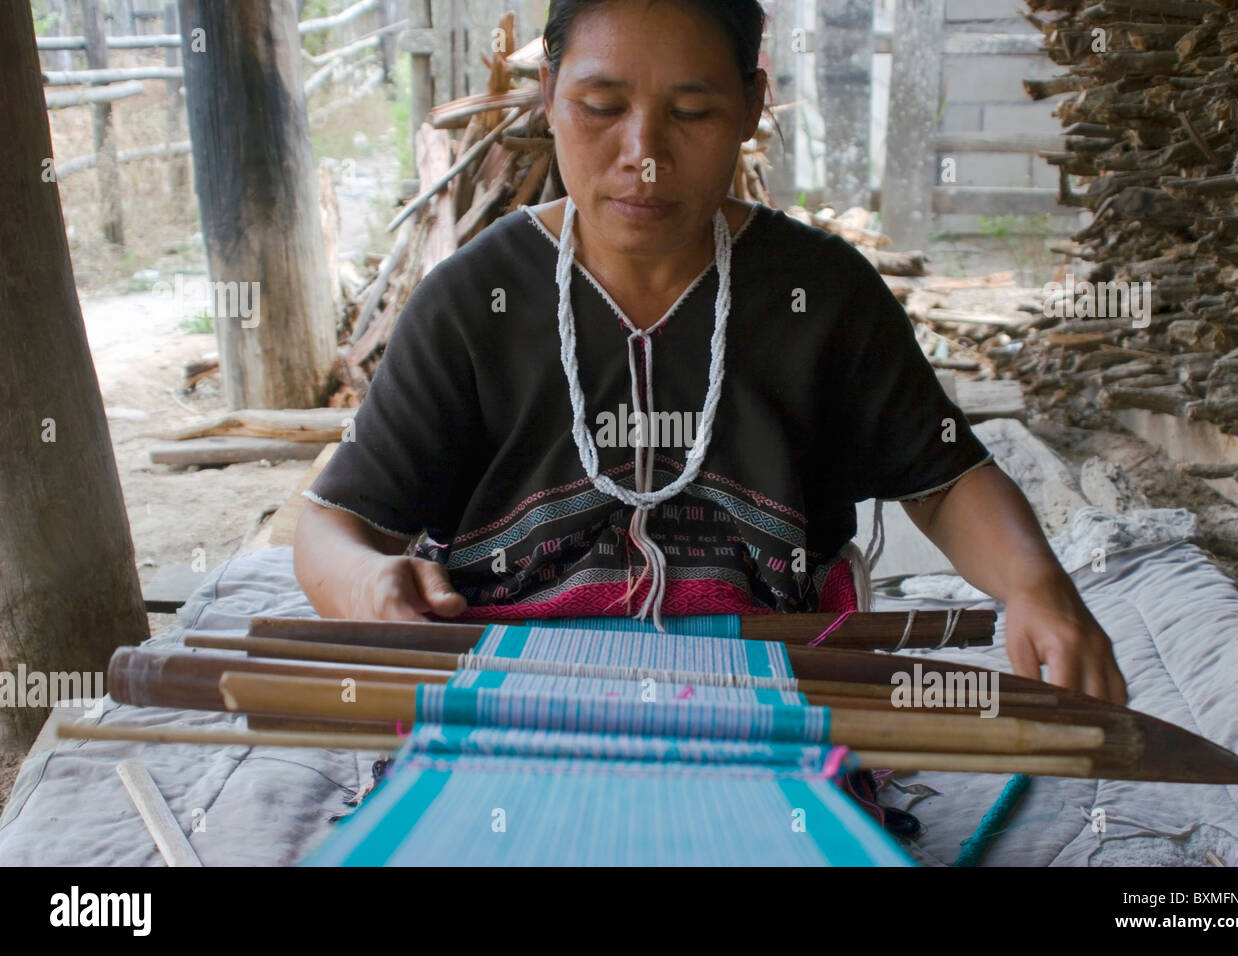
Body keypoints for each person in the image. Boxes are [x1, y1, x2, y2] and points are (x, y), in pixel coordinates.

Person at [294, 0, 1128, 705]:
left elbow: (942, 482)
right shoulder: (473, 301)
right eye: (600, 105)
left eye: (691, 112)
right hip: (514, 687)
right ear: (547, 95)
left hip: (770, 682)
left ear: (753, 103)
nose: (643, 154)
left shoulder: (821, 292)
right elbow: (334, 526)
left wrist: (1034, 585)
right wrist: (365, 584)